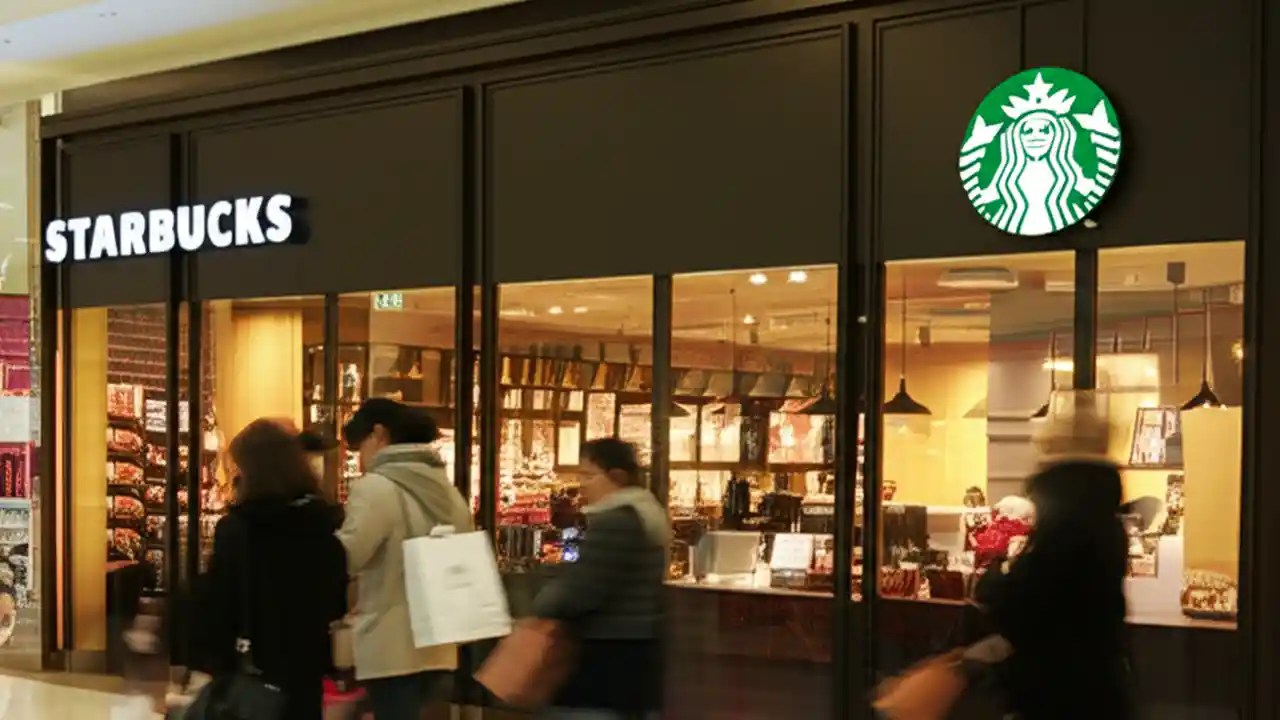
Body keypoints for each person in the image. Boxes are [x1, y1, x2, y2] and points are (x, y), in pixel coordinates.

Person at [974, 408, 1132, 720]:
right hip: (1099, 688)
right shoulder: (1106, 522)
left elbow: (1021, 603)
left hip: (1056, 691)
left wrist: (994, 574)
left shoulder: (1062, 525)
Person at [191, 418, 348, 720]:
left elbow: (221, 605)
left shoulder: (238, 531)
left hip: (250, 675)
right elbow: (333, 602)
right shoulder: (321, 527)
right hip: (303, 674)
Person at [336, 398, 473, 720]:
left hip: (390, 645)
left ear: (378, 435)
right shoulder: (446, 490)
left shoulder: (376, 488)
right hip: (439, 642)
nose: (360, 459)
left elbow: (348, 556)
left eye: (360, 447)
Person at [530, 437, 667, 719]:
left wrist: (540, 602)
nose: (582, 484)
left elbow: (582, 591)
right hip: (633, 653)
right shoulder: (644, 514)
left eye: (589, 475)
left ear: (616, 476)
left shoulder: (616, 522)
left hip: (605, 656)